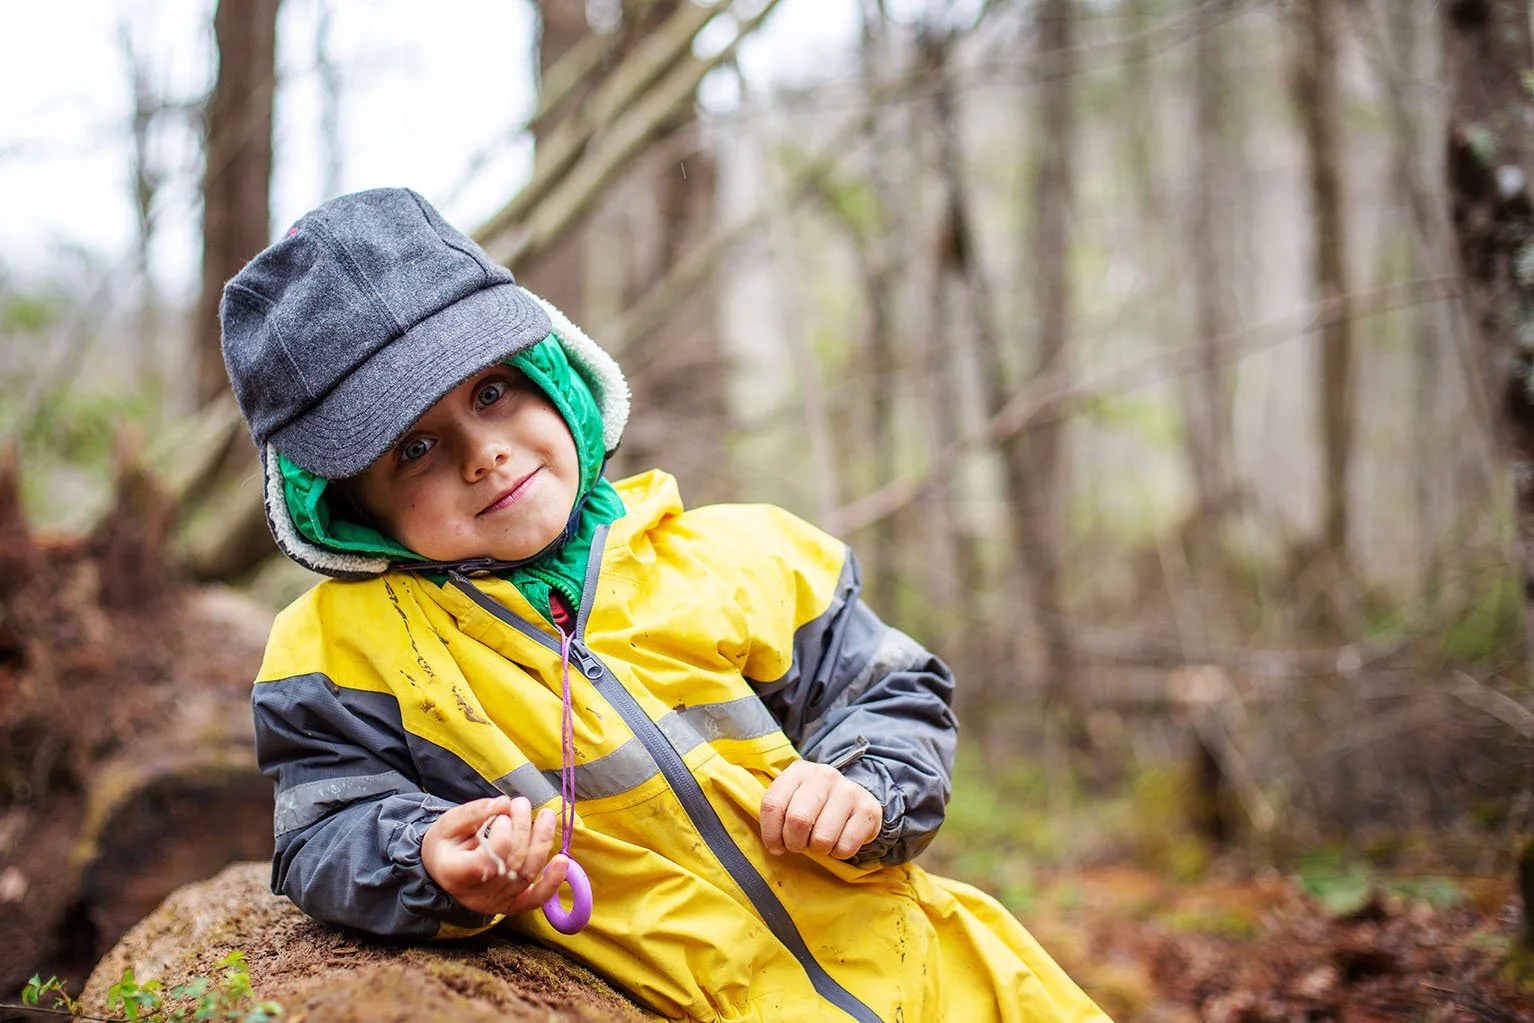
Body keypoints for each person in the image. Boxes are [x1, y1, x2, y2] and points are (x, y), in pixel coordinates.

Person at [224, 187, 1110, 1023]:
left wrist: (864, 779)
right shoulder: (343, 655)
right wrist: (422, 856)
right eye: (413, 446)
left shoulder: (738, 553)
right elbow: (321, 825)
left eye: (492, 392)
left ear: (554, 376)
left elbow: (890, 686)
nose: (485, 453)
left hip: (949, 973)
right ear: (346, 503)